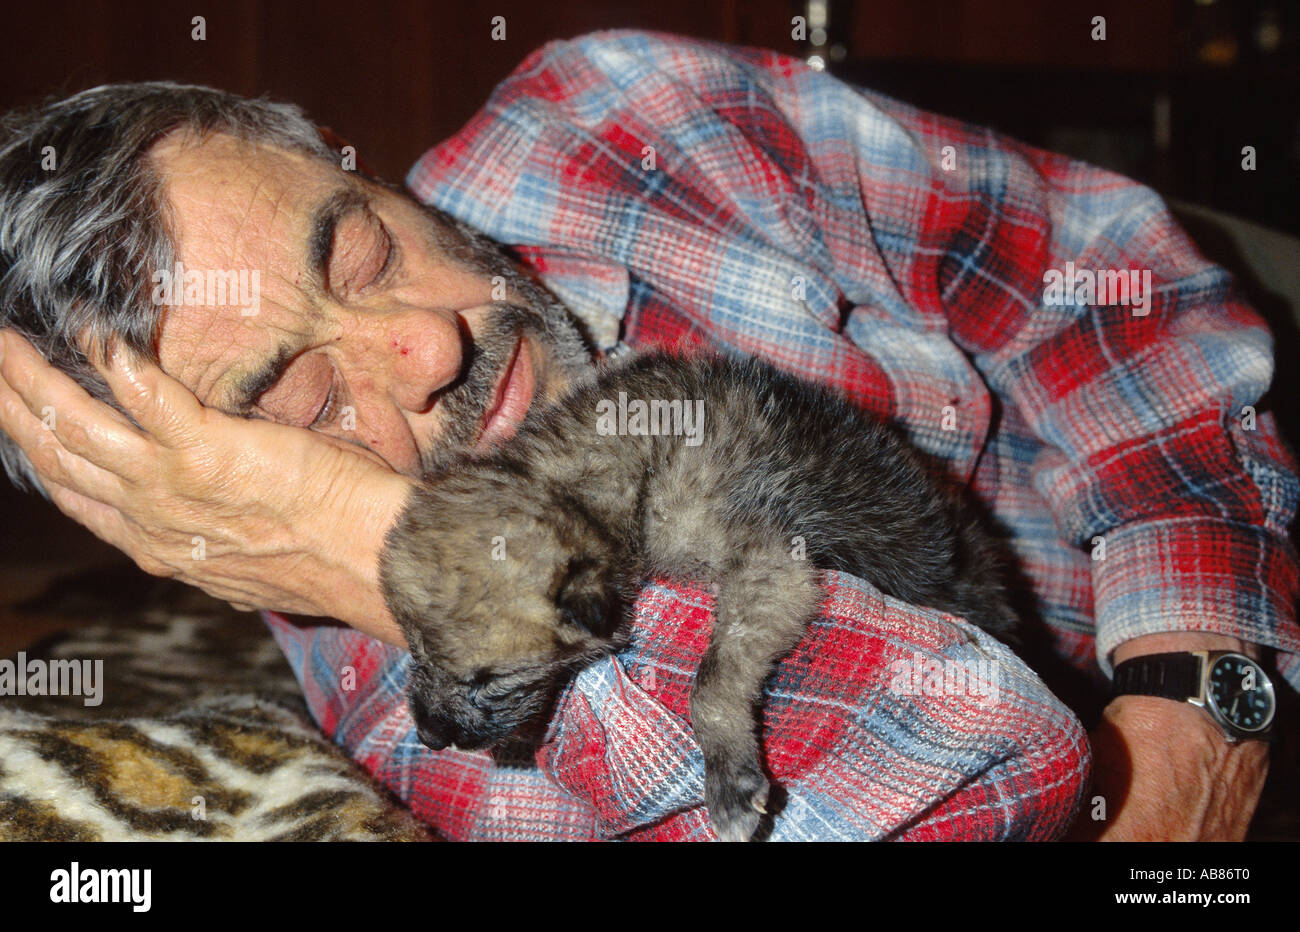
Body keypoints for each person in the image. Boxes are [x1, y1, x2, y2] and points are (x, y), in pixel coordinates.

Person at [0, 30, 1291, 840]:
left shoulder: (632, 121)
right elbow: (984, 792)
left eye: (365, 246)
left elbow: (1109, 290)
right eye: (307, 404)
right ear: (199, 504)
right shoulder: (401, 694)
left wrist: (1196, 691)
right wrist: (417, 569)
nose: (426, 345)